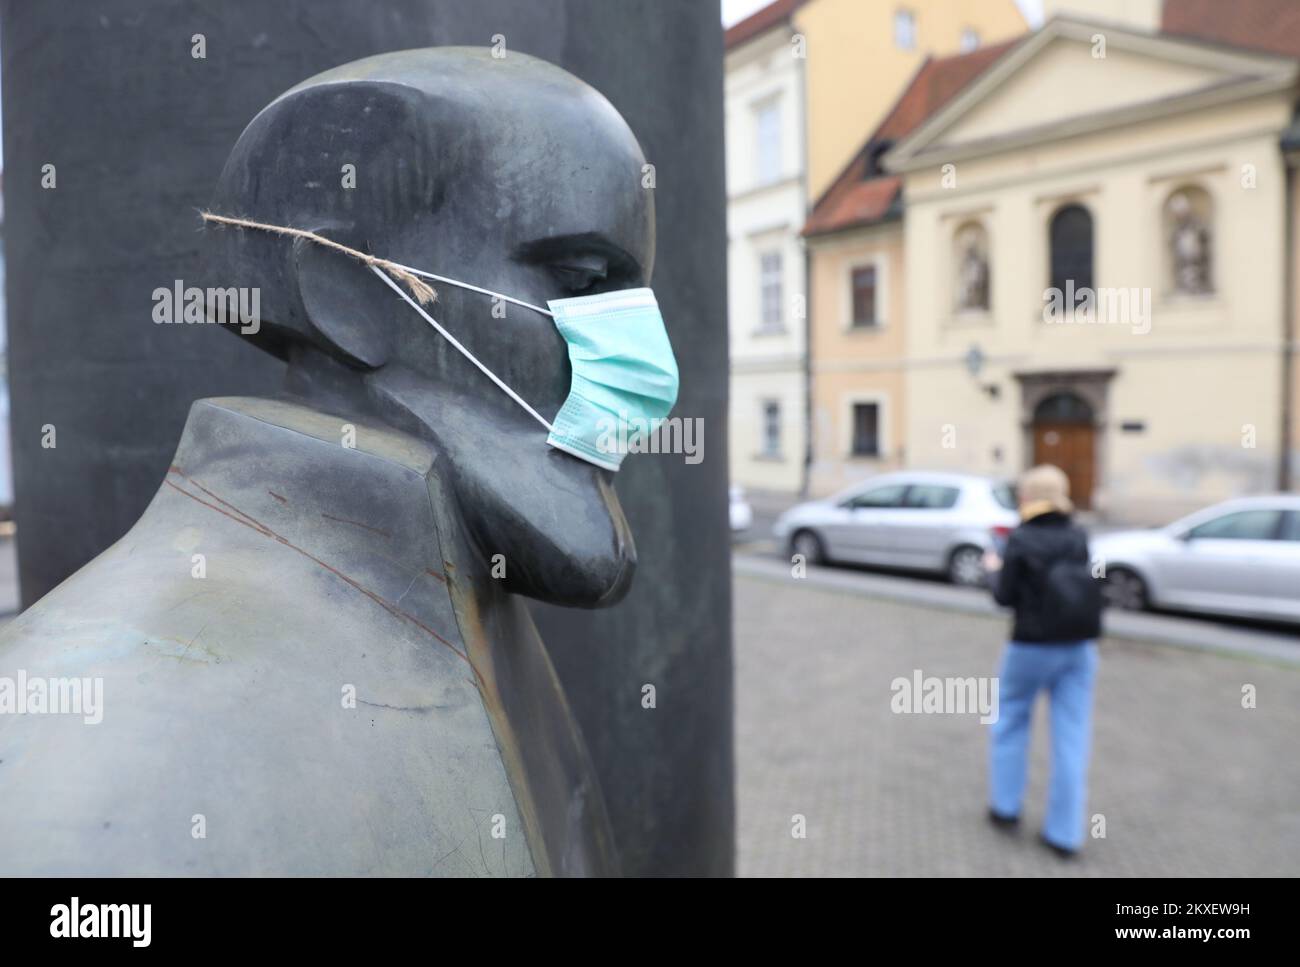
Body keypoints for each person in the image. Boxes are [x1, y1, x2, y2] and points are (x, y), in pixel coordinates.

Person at [983, 464, 1102, 857]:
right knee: (1072, 737)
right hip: (1078, 648)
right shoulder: (1078, 535)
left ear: (1029, 495)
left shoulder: (1021, 538)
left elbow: (1004, 597)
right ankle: (1064, 835)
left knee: (1011, 722)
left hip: (1030, 646)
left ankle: (1005, 808)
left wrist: (993, 570)